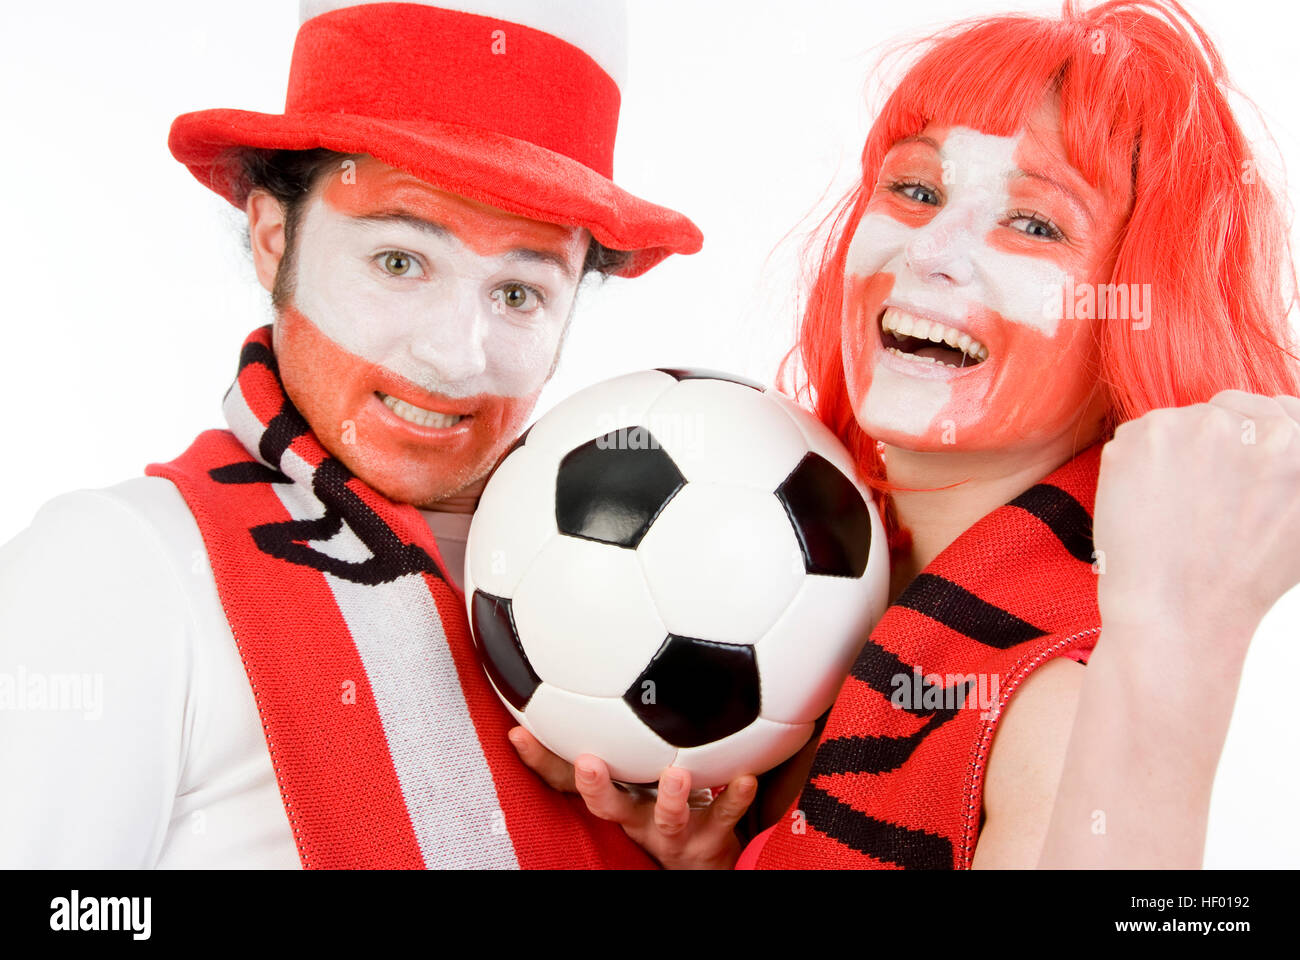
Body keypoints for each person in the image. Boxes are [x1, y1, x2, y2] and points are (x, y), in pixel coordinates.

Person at [510, 0, 1300, 869]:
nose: (933, 250)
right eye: (916, 190)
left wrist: (1187, 632)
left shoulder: (1057, 699)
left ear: (1134, 312)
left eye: (1034, 223)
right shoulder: (802, 567)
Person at [0, 0, 701, 868]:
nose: (453, 355)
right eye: (399, 261)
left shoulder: (678, 599)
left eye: (519, 292)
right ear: (272, 236)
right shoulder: (117, 567)